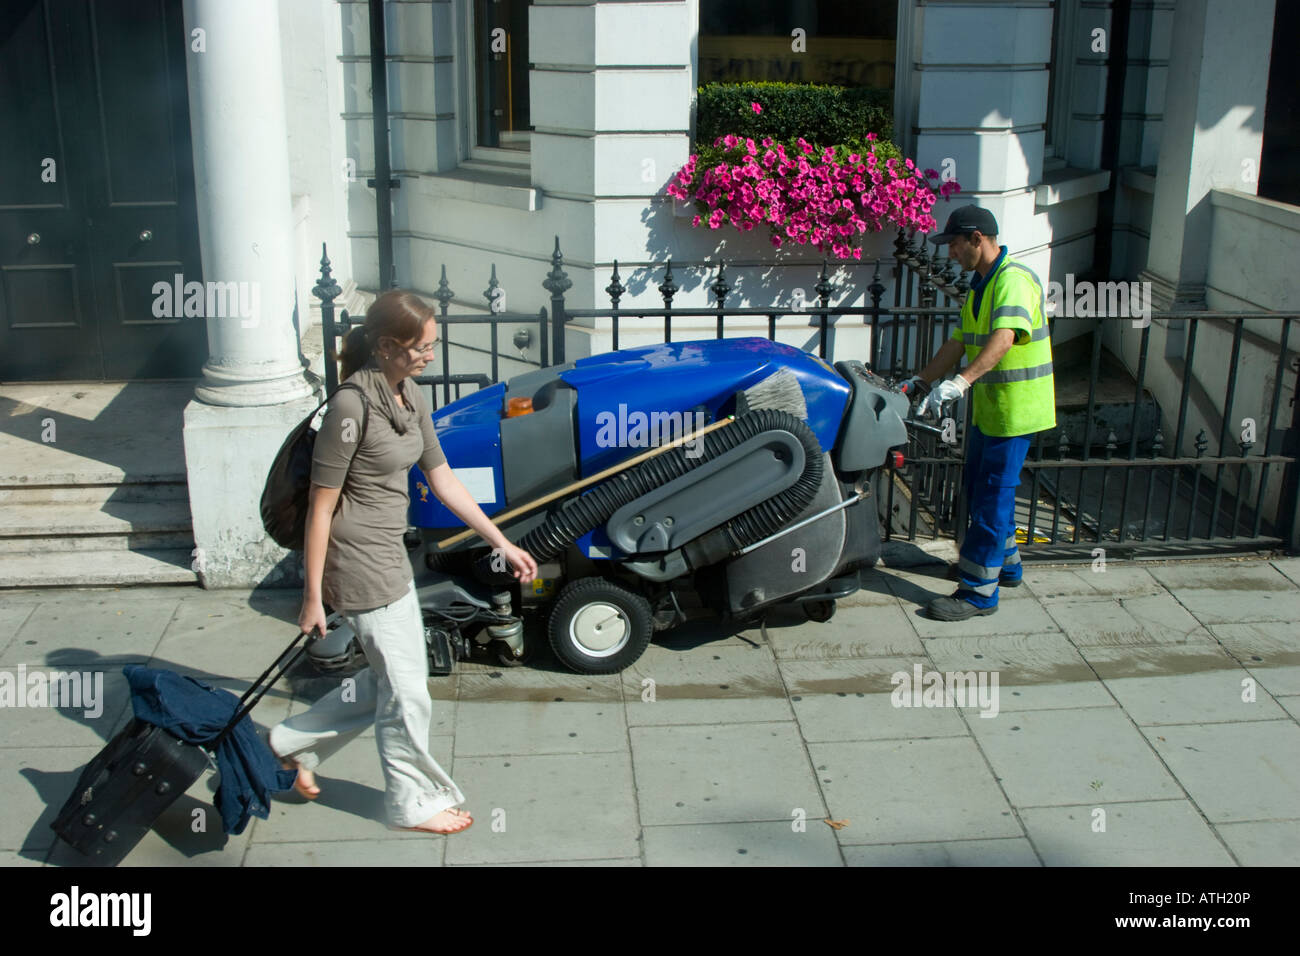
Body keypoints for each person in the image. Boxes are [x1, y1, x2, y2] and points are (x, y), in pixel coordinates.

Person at [269, 290, 538, 834]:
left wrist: (501, 542)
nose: (431, 355)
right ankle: (412, 801)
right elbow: (321, 509)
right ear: (388, 345)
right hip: (357, 562)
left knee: (388, 680)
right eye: (422, 347)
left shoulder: (407, 393)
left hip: (390, 554)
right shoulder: (350, 406)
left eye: (432, 345)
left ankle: (285, 744)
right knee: (409, 690)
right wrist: (312, 597)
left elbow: (441, 480)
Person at [905, 205, 1055, 621]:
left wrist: (960, 383)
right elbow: (959, 341)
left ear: (977, 238)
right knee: (982, 488)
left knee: (991, 498)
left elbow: (1004, 338)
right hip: (993, 411)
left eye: (954, 243)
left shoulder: (1013, 281)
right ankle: (1005, 567)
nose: (950, 253)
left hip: (1016, 411)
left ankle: (978, 593)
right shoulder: (982, 283)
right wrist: (922, 380)